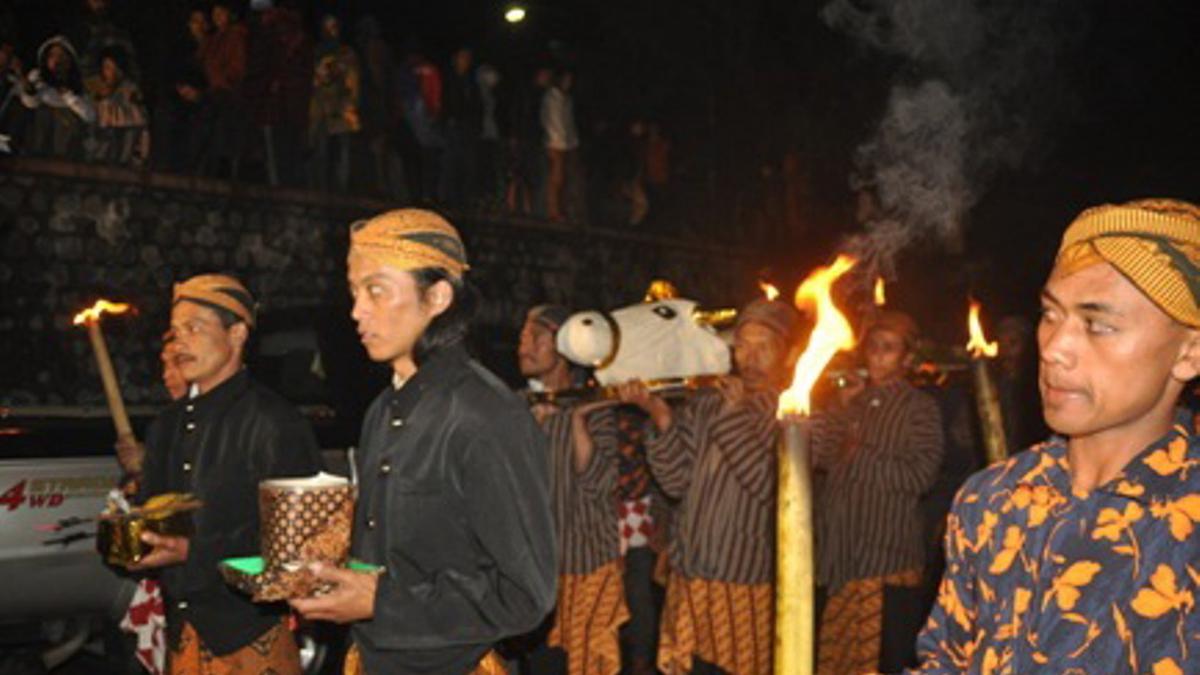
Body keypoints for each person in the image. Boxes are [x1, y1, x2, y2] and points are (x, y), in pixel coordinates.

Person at [909, 198, 1200, 673]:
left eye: (1098, 325)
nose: (1055, 347)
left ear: (1189, 353)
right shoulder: (991, 500)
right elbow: (944, 661)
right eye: (1050, 314)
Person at [290, 209, 556, 674]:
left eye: (376, 290)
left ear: (437, 296)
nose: (357, 311)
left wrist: (380, 602)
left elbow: (525, 595)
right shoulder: (382, 411)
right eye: (354, 292)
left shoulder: (485, 417)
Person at [132, 273, 323, 674]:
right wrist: (133, 539)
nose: (180, 342)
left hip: (249, 636)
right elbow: (153, 515)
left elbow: (299, 545)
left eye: (195, 329)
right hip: (183, 631)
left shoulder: (274, 422)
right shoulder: (167, 426)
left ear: (236, 334)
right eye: (176, 332)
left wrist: (194, 553)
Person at [618, 297, 802, 675]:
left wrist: (734, 418)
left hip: (744, 586)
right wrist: (661, 417)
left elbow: (770, 488)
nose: (748, 357)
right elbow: (676, 482)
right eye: (741, 346)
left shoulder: (793, 413)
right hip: (689, 578)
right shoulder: (705, 403)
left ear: (787, 352)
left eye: (762, 347)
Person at [812, 310, 944, 674]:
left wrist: (863, 452)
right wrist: (837, 408)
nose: (877, 355)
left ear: (907, 359)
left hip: (885, 563)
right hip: (840, 559)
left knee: (885, 663)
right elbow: (820, 457)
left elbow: (920, 476)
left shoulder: (920, 407)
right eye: (873, 346)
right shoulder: (853, 401)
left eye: (889, 348)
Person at [515, 304, 630, 675]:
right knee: (542, 664)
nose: (523, 346)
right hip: (537, 567)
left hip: (586, 565)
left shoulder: (595, 405)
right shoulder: (514, 406)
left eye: (536, 337)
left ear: (565, 346)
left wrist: (577, 420)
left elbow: (599, 483)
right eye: (522, 337)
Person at [16, 35, 96, 159]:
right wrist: (29, 89)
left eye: (61, 56)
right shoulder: (38, 79)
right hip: (39, 141)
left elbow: (89, 115)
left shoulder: (78, 87)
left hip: (66, 147)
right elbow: (30, 103)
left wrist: (67, 94)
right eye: (52, 55)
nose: (57, 60)